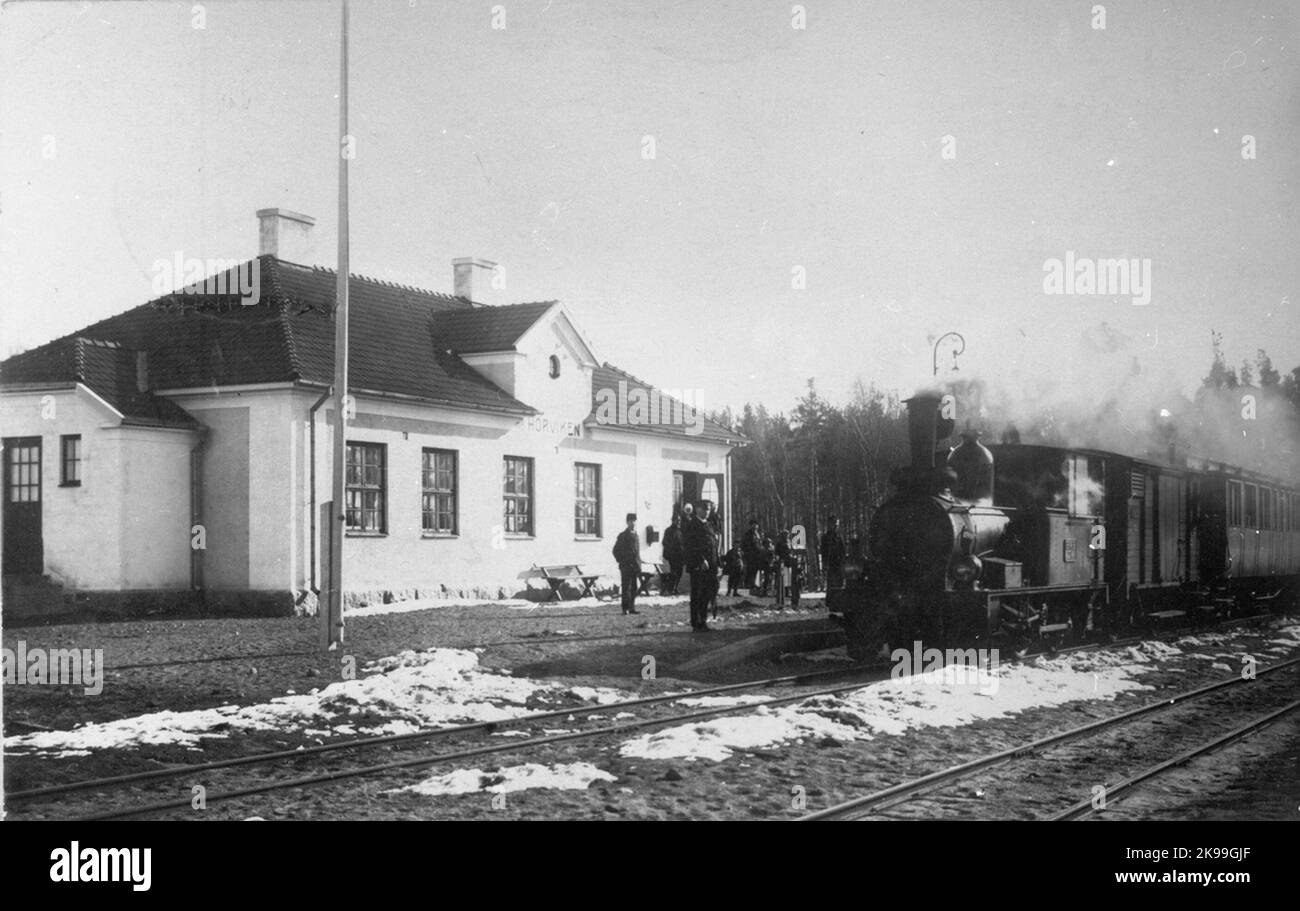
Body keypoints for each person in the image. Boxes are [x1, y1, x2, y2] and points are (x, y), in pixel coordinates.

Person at [682, 500, 720, 631]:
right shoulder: (692, 525)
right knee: (697, 595)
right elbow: (690, 546)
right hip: (699, 566)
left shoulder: (709, 525)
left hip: (710, 567)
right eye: (705, 509)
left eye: (709, 509)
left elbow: (713, 546)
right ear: (698, 509)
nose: (707, 511)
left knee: (706, 594)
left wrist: (717, 563)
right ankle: (696, 622)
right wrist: (700, 560)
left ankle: (703, 621)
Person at [612, 512, 641, 615]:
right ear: (627, 522)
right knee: (626, 588)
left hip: (634, 566)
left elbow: (637, 552)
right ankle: (625, 608)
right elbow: (615, 550)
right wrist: (622, 561)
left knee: (634, 587)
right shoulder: (623, 536)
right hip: (626, 566)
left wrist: (638, 565)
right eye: (630, 521)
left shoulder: (636, 535)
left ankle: (632, 607)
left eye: (634, 521)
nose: (633, 523)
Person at [820, 515, 846, 590]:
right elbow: (824, 552)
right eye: (833, 523)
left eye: (836, 524)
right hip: (831, 564)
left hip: (838, 564)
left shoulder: (838, 537)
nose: (835, 526)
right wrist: (825, 564)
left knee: (839, 583)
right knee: (831, 584)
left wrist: (842, 562)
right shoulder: (826, 537)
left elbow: (842, 550)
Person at [662, 514, 685, 595]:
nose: (679, 522)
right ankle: (670, 589)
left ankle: (675, 588)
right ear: (673, 520)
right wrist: (670, 551)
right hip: (672, 556)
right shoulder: (668, 531)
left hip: (680, 556)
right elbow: (665, 542)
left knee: (680, 572)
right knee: (673, 573)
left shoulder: (680, 531)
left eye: (679, 520)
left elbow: (682, 542)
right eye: (677, 520)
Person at [741, 518, 763, 590]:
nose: (755, 526)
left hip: (757, 555)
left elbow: (759, 543)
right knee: (750, 570)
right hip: (750, 555)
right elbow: (746, 545)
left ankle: (753, 583)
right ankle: (749, 584)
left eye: (756, 525)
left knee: (755, 570)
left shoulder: (757, 534)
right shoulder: (748, 534)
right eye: (754, 525)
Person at [774, 530, 791, 606]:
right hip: (782, 561)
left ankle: (787, 592)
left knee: (787, 578)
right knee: (781, 579)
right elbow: (777, 552)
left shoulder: (789, 542)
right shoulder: (779, 543)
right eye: (786, 534)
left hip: (788, 562)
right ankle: (780, 596)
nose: (787, 536)